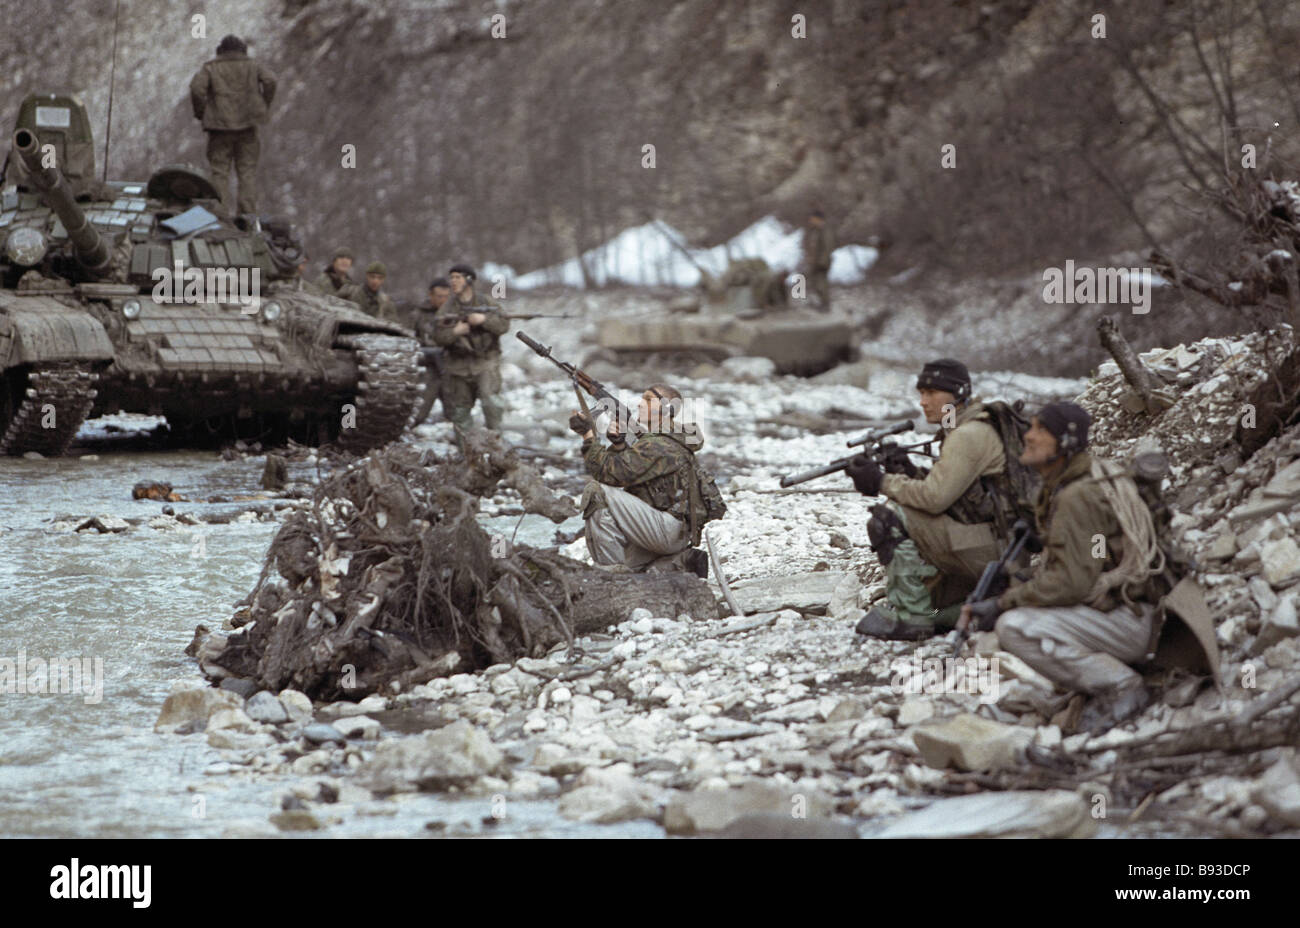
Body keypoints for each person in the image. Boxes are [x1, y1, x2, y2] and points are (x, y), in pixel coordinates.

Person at [957, 402, 1167, 734]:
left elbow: (1074, 585)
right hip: (1135, 615)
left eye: (1041, 429)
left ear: (1065, 443)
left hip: (1133, 622)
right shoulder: (1076, 483)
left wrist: (1002, 604)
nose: (1029, 436)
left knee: (1014, 627)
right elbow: (1091, 557)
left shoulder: (1076, 496)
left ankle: (1122, 685)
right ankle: (1091, 683)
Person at [845, 359, 1009, 640]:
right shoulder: (966, 426)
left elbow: (935, 499)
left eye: (932, 393)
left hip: (993, 552)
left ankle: (911, 615)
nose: (923, 402)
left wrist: (881, 481)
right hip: (998, 546)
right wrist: (909, 471)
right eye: (921, 393)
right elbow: (955, 490)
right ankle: (951, 610)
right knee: (936, 607)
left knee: (890, 516)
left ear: (958, 394)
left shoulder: (968, 435)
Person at [571, 383, 707, 576]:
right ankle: (677, 562)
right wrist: (619, 445)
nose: (640, 404)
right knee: (631, 567)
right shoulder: (667, 438)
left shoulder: (658, 444)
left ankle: (611, 579)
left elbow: (609, 474)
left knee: (596, 492)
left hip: (665, 530)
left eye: (649, 400)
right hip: (672, 531)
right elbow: (633, 475)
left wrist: (588, 436)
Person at [189, 34, 276, 216]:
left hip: (219, 129)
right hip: (248, 127)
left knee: (219, 172)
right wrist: (262, 106)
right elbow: (270, 80)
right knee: (247, 172)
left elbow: (197, 89)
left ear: (220, 51)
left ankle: (220, 214)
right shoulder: (253, 65)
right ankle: (247, 215)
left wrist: (202, 113)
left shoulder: (211, 68)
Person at [432, 264, 508, 441]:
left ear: (469, 280)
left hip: (485, 363)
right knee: (460, 412)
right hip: (458, 367)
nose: (453, 282)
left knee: (491, 404)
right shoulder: (447, 308)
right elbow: (437, 335)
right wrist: (455, 332)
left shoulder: (486, 302)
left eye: (457, 277)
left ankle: (496, 447)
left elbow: (504, 324)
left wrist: (484, 320)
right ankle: (466, 454)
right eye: (451, 278)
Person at [411, 277, 453, 424]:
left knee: (456, 411)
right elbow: (407, 340)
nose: (443, 300)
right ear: (431, 295)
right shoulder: (418, 314)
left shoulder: (454, 313)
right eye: (439, 296)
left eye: (447, 297)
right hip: (428, 366)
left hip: (450, 365)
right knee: (419, 412)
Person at [801, 208, 833, 310]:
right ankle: (821, 302)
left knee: (821, 283)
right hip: (815, 262)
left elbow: (827, 246)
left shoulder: (825, 230)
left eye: (813, 219)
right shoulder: (816, 231)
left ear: (818, 219)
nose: (811, 221)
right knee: (815, 283)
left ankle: (825, 304)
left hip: (821, 263)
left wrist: (822, 261)